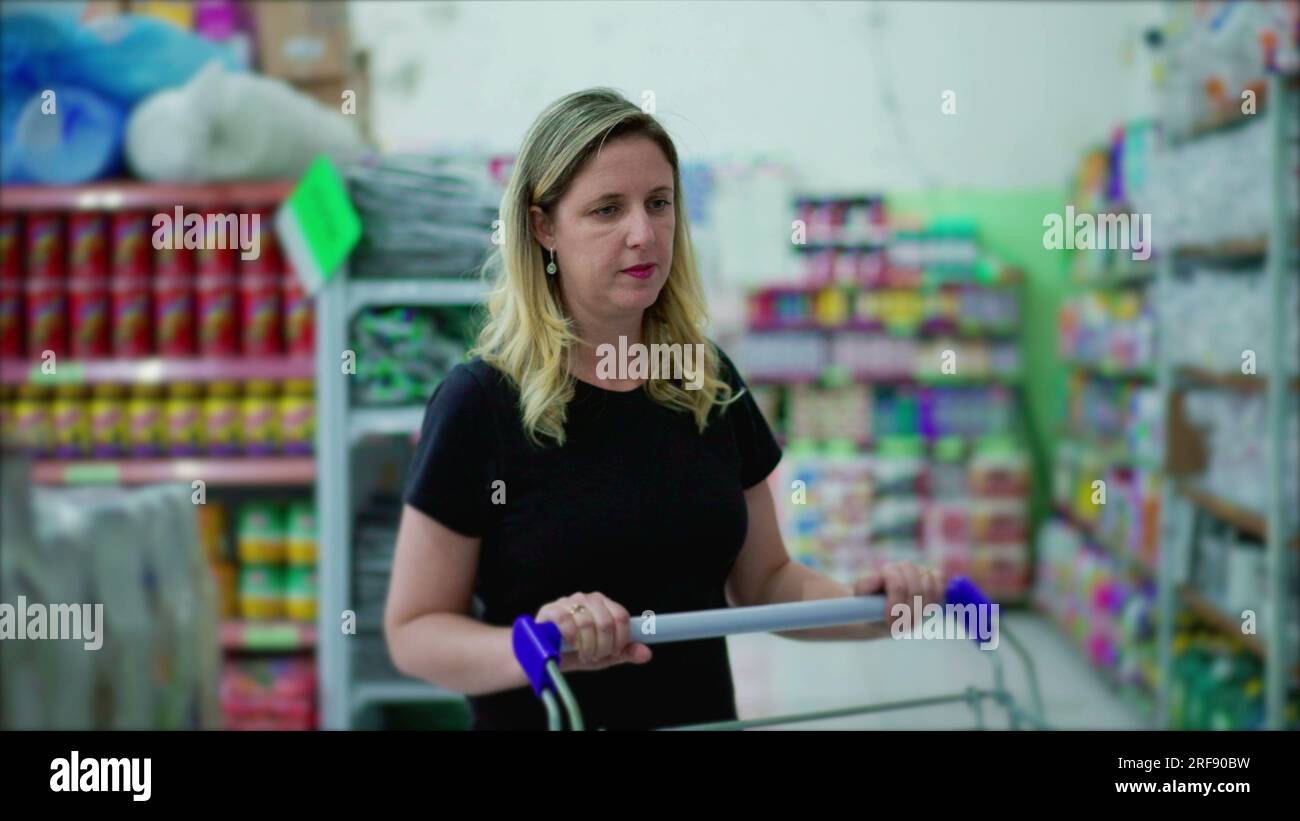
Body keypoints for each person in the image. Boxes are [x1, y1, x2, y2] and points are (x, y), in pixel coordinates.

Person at [384, 87, 944, 730]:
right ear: (544, 228)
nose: (642, 234)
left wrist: (871, 607)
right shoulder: (479, 404)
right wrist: (539, 645)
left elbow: (766, 582)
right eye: (605, 210)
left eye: (658, 203)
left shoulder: (705, 384)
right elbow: (415, 631)